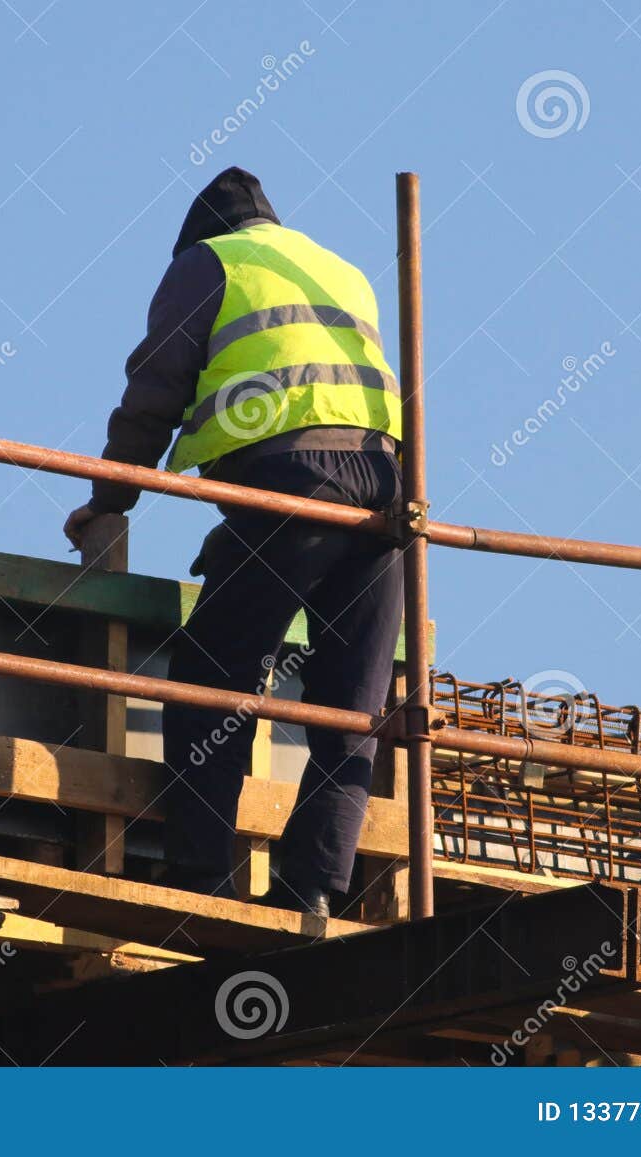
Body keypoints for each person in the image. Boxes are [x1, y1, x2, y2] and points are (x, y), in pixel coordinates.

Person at [63, 167, 404, 917]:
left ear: (200, 238)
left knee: (212, 682)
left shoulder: (208, 265)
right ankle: (312, 885)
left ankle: (202, 879)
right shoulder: (343, 269)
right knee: (352, 702)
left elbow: (154, 395)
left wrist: (109, 500)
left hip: (292, 477)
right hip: (388, 492)